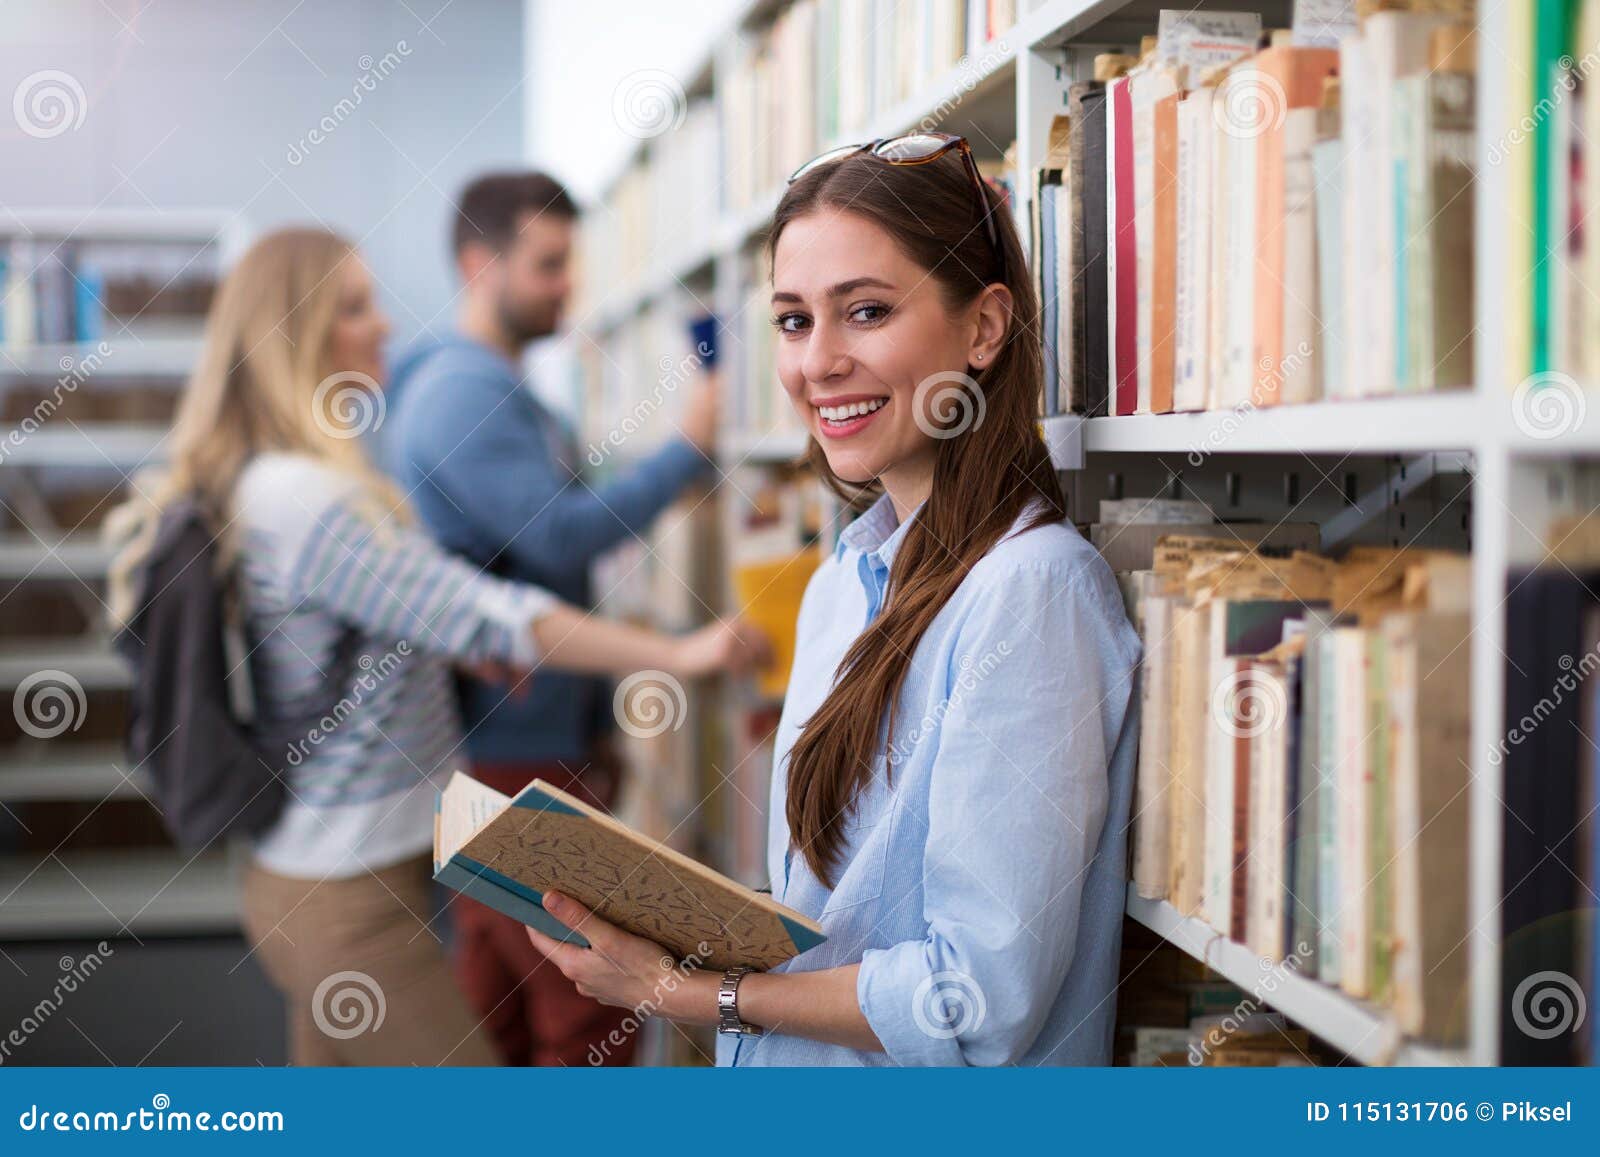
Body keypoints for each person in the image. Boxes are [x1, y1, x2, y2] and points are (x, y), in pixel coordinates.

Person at [525, 135, 1142, 1065]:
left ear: (982, 329)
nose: (818, 363)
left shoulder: (1032, 591)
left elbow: (975, 997)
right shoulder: (839, 583)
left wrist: (685, 991)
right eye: (792, 321)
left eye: (865, 311)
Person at [104, 227, 761, 1067]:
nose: (383, 325)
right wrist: (682, 656)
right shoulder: (310, 497)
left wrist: (429, 645)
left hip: (321, 877)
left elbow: (324, 631)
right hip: (346, 899)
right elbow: (493, 611)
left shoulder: (269, 479)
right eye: (353, 308)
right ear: (292, 339)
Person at [384, 172, 720, 1067]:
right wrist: (688, 450)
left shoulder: (479, 385)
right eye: (547, 263)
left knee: (502, 1004)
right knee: (577, 1011)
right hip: (514, 752)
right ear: (476, 264)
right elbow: (566, 533)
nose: (567, 283)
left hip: (511, 743)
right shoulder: (464, 394)